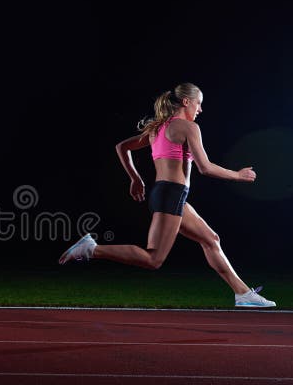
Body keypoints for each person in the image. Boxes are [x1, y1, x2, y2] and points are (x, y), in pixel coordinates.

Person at [58, 83, 275, 308]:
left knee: (211, 240)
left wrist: (136, 178)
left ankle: (242, 293)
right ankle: (92, 249)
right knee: (153, 259)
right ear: (186, 102)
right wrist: (238, 175)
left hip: (168, 194)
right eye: (199, 103)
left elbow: (122, 147)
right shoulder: (189, 128)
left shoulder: (157, 129)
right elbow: (205, 167)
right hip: (171, 194)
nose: (200, 109)